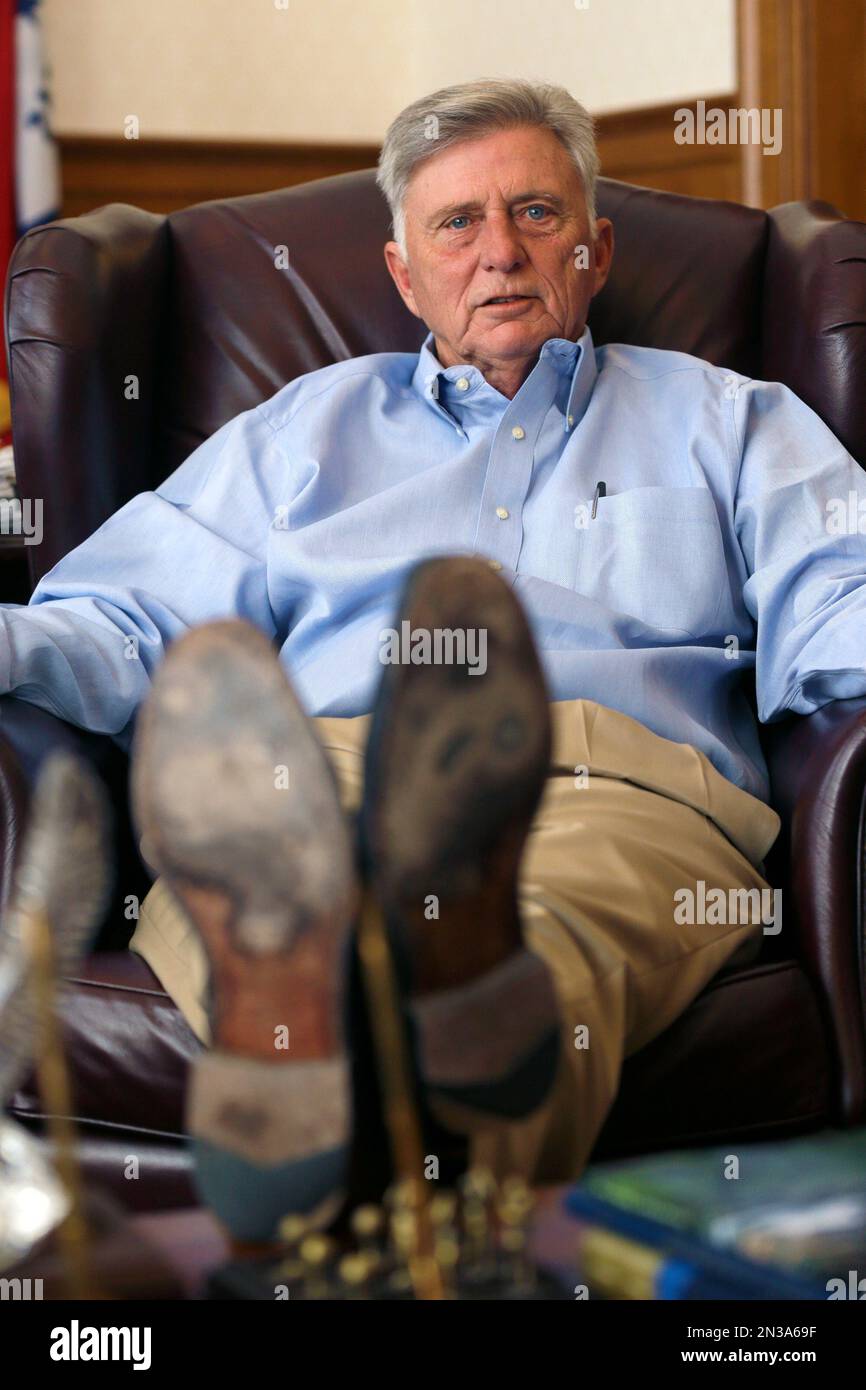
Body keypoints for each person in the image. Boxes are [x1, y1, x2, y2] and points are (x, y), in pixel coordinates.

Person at [3, 78, 866, 1241]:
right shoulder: (299, 432)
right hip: (318, 777)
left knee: (535, 935)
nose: (499, 252)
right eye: (456, 223)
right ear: (404, 273)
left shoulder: (728, 420)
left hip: (615, 784)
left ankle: (367, 1050)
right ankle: (355, 1018)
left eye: (536, 214)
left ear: (595, 248)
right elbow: (121, 620)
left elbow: (839, 595)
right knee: (282, 873)